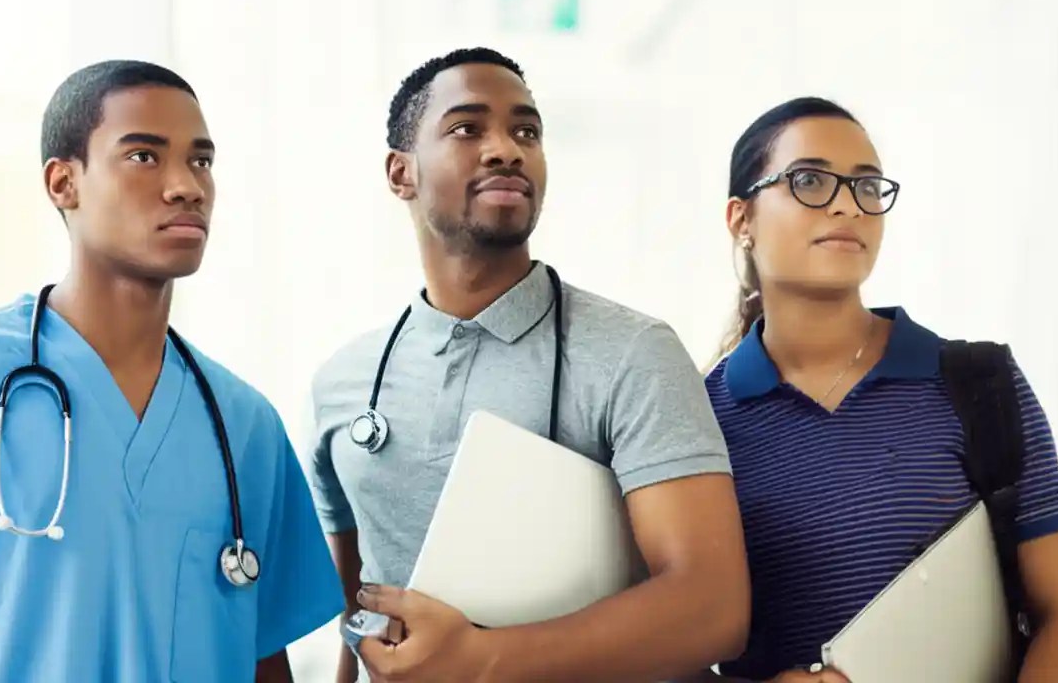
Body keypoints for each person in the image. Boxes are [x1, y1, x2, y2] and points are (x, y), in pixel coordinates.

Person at [0, 60, 343, 682]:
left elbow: (266, 661)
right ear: (63, 182)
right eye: (143, 156)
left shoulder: (244, 425)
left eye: (202, 161)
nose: (186, 185)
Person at [305, 46, 751, 683]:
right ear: (400, 173)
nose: (507, 149)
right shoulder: (342, 385)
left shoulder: (632, 353)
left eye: (526, 131)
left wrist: (484, 660)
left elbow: (713, 609)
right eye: (467, 128)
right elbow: (357, 614)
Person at [696, 97, 1058, 682]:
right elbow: (666, 645)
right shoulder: (699, 420)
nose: (846, 204)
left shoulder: (981, 385)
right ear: (741, 219)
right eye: (809, 179)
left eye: (866, 186)